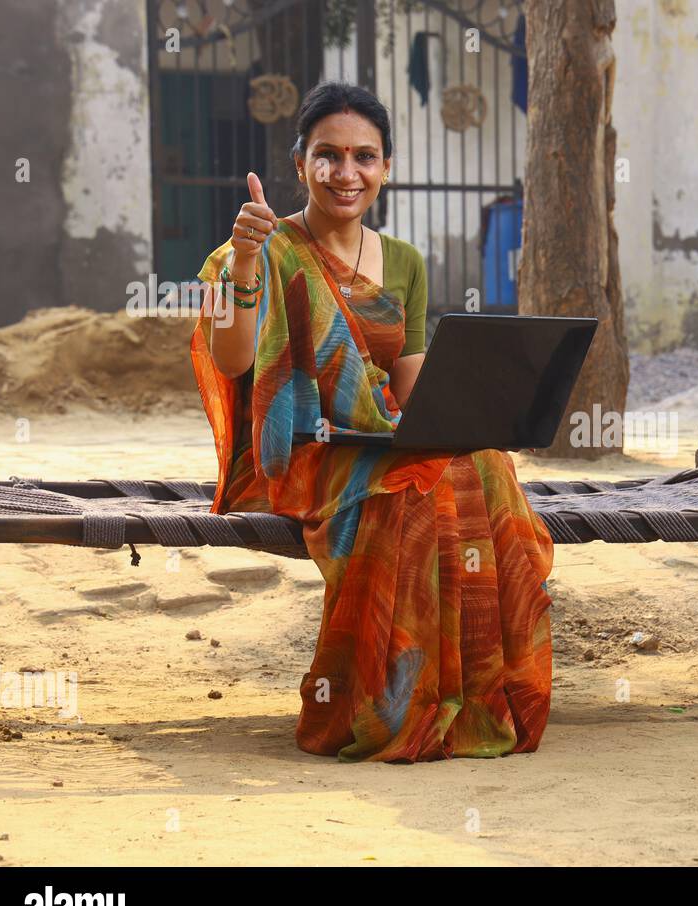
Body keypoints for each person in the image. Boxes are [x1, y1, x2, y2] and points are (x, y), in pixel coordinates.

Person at [188, 81, 555, 762]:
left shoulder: (407, 262)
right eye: (328, 155)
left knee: (482, 469)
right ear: (300, 163)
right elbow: (233, 359)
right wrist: (242, 263)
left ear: (386, 167)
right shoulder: (262, 249)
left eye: (365, 156)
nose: (346, 173)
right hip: (299, 451)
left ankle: (473, 696)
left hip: (379, 437)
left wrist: (471, 417)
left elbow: (411, 390)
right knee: (407, 490)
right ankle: (389, 702)